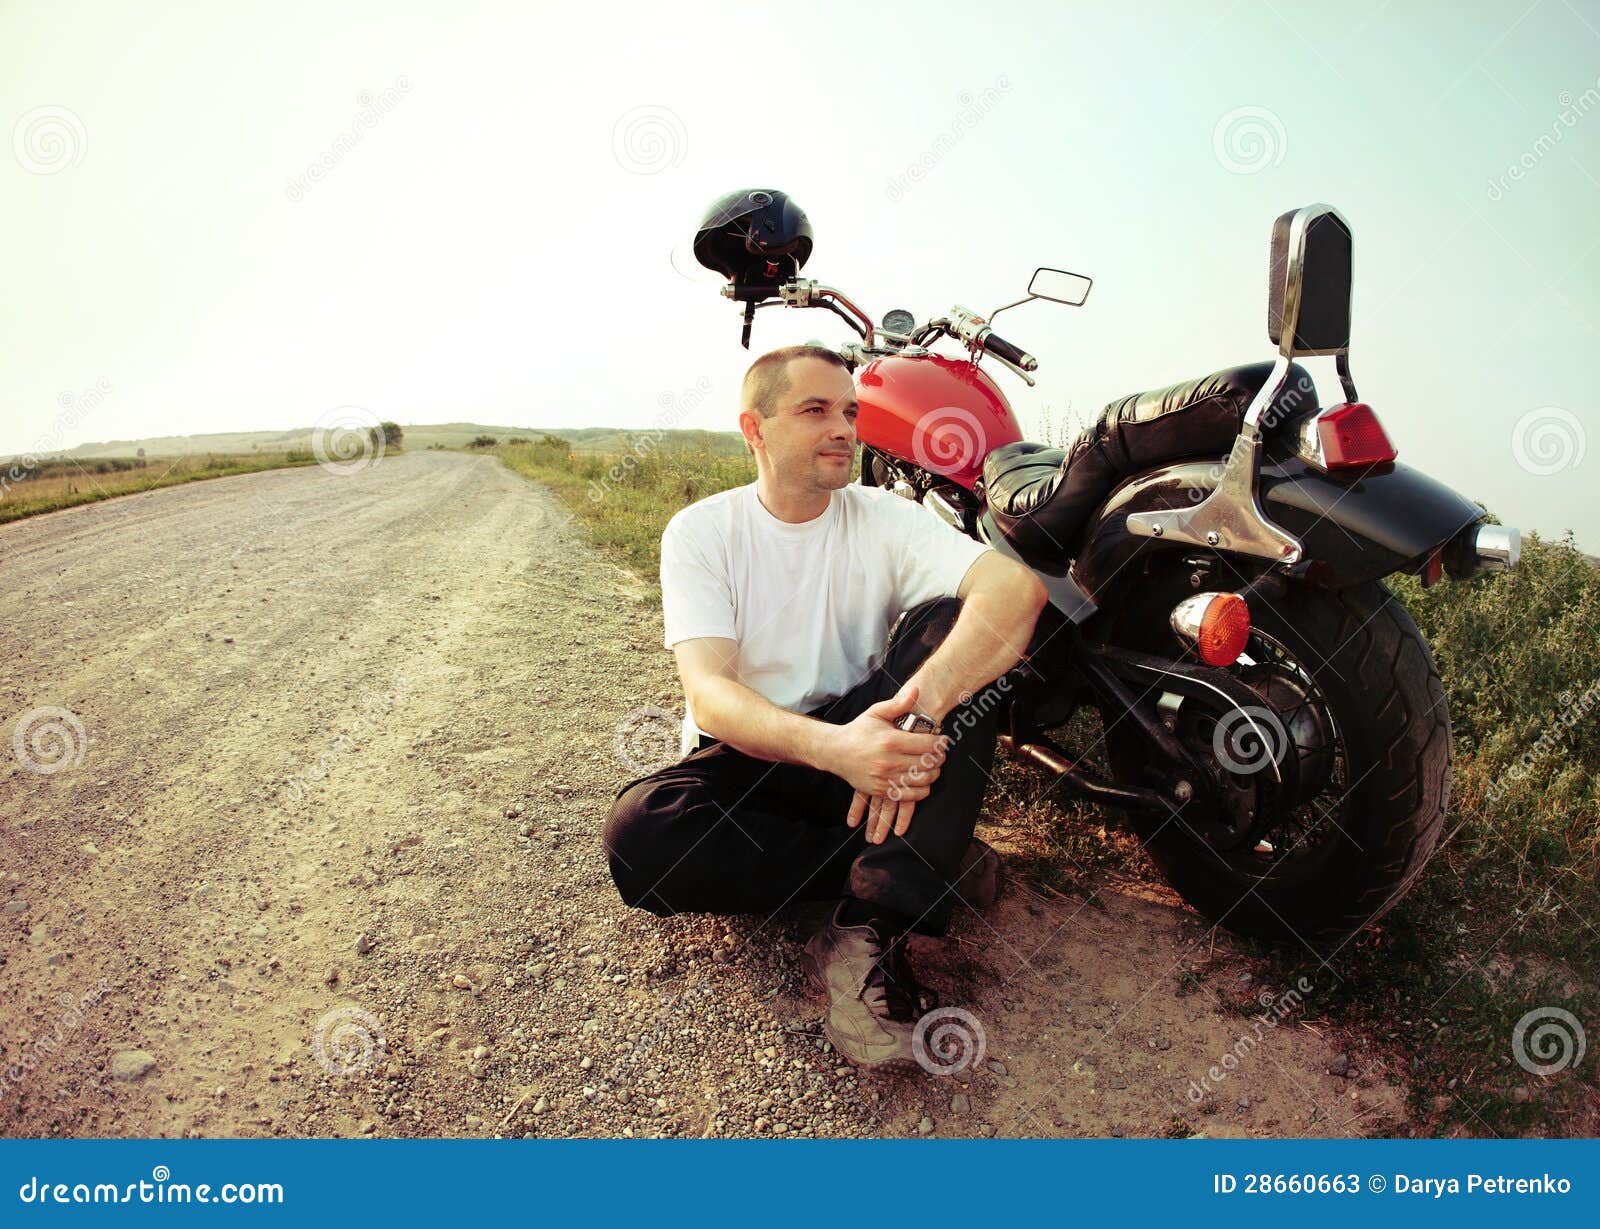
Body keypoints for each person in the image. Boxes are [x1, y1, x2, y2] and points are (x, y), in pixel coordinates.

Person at [602, 344, 1048, 1071]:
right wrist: (834, 749)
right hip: (760, 757)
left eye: (850, 410)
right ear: (756, 428)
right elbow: (710, 695)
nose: (843, 427)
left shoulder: (881, 516)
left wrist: (925, 708)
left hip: (876, 741)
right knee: (640, 837)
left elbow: (1016, 591)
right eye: (815, 410)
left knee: (954, 629)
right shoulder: (703, 531)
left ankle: (870, 924)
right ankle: (919, 861)